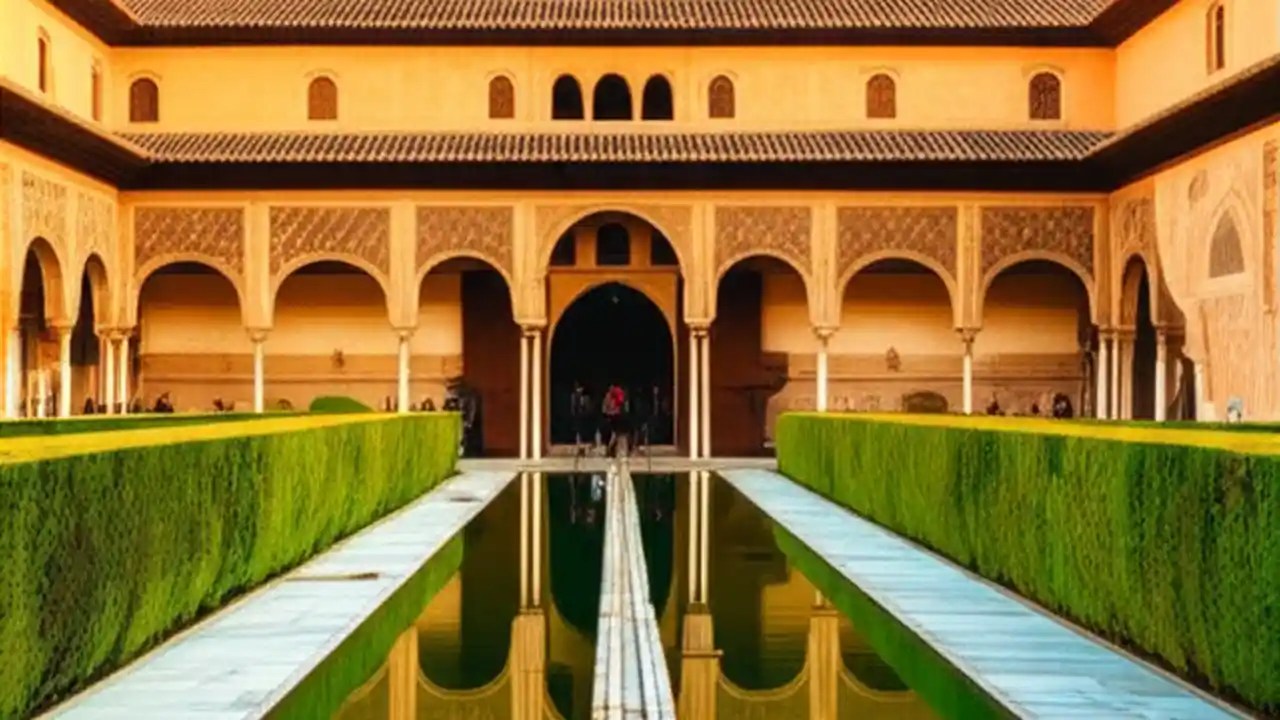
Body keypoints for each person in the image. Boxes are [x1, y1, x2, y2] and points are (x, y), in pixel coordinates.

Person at [569, 381, 593, 454]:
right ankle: (578, 445)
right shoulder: (574, 396)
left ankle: (583, 446)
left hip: (584, 417)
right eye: (578, 389)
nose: (579, 391)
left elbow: (588, 407)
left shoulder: (586, 398)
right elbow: (573, 406)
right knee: (578, 431)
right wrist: (573, 414)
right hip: (577, 416)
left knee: (583, 431)